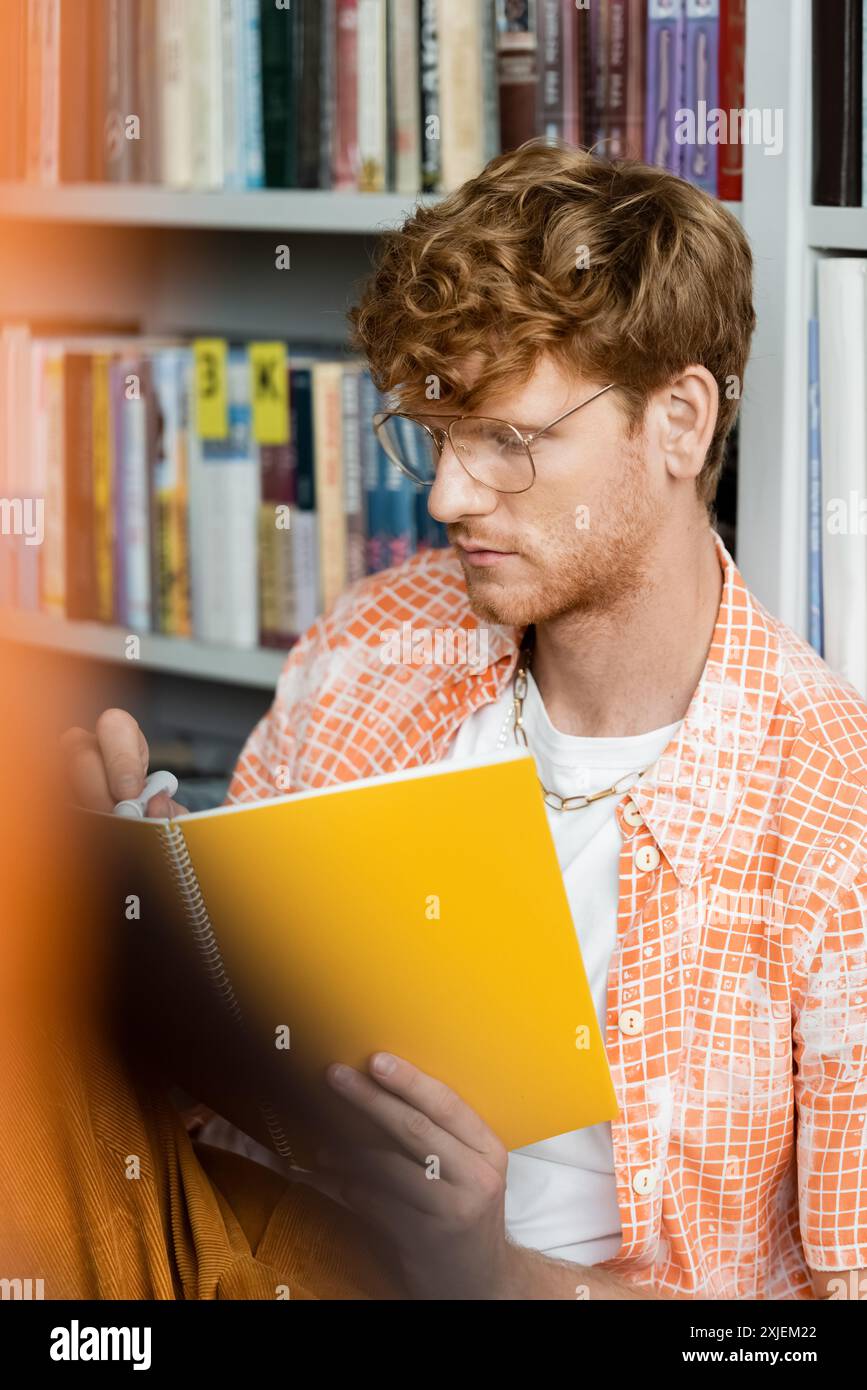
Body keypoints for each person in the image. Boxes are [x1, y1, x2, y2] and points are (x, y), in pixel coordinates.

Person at [65, 144, 867, 1301]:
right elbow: (219, 1064)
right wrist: (135, 906)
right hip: (261, 1250)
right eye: (436, 434)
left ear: (679, 422)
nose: (446, 495)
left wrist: (491, 1270)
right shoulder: (370, 644)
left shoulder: (831, 807)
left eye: (508, 440)